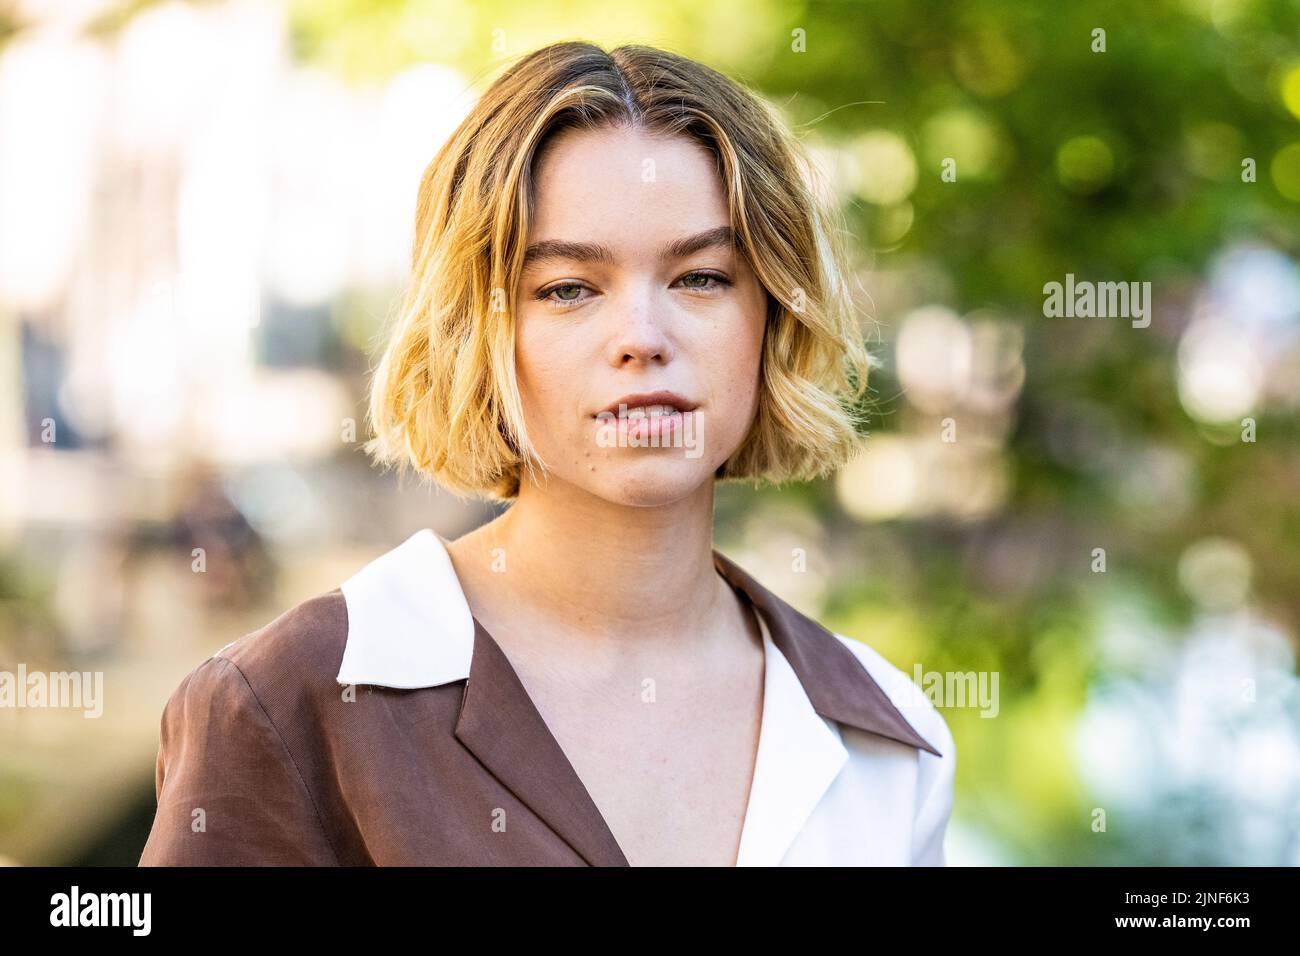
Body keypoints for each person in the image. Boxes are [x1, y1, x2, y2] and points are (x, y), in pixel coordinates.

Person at [139, 40, 955, 867]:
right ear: (478, 331)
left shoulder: (889, 741)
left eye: (700, 277)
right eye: (568, 288)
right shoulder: (283, 707)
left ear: (773, 314)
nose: (642, 338)